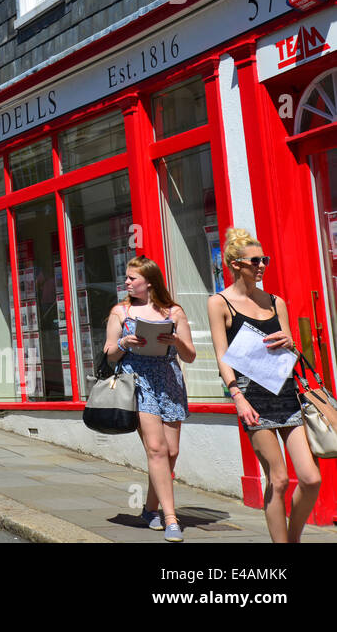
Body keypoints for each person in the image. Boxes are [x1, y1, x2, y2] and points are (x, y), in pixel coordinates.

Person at [209, 228, 322, 543]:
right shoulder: (219, 303)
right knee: (279, 478)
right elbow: (222, 355)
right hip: (251, 397)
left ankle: (294, 537)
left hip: (285, 393)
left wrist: (291, 343)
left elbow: (292, 352)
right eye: (255, 260)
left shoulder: (276, 301)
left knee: (311, 479)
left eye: (264, 260)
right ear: (235, 264)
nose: (261, 265)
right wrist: (237, 397)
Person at [104, 256, 196, 542]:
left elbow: (190, 356)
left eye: (133, 278)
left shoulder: (174, 312)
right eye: (128, 278)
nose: (127, 282)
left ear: (150, 281)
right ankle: (170, 518)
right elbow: (108, 352)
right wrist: (124, 343)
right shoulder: (121, 311)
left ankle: (149, 508)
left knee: (171, 452)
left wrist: (176, 341)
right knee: (156, 449)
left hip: (169, 381)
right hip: (138, 382)